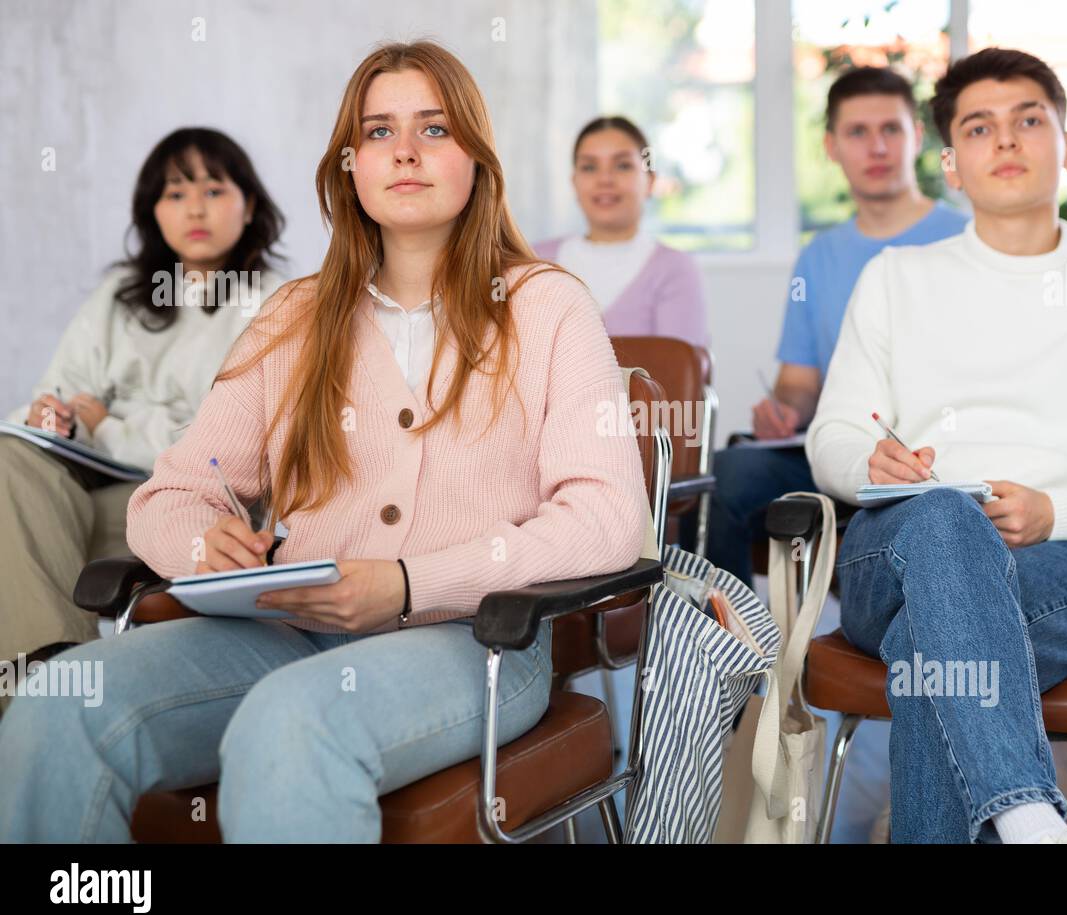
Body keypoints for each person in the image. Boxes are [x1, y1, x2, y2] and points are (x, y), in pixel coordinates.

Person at [0, 40, 646, 842]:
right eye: (378, 132)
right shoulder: (292, 317)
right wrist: (204, 543)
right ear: (349, 165)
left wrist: (409, 582)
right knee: (62, 706)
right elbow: (173, 493)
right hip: (279, 631)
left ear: (477, 159)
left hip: (474, 647)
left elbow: (611, 517)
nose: (405, 150)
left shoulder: (549, 308)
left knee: (294, 722)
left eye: (435, 128)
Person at [808, 48, 1067, 843]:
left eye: (1028, 120)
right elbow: (833, 434)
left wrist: (1058, 509)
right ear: (951, 165)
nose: (1005, 141)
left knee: (927, 652)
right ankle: (1028, 813)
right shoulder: (896, 278)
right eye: (979, 127)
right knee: (940, 518)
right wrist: (865, 464)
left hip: (1064, 562)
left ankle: (1021, 820)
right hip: (894, 548)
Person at [0, 127, 285, 682]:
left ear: (249, 204)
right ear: (152, 210)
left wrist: (108, 426)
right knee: (10, 462)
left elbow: (223, 447)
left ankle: (43, 689)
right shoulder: (120, 295)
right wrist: (53, 418)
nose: (194, 208)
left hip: (184, 502)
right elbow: (58, 391)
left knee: (16, 529)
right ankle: (46, 675)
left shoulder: (276, 302)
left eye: (213, 190)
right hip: (89, 486)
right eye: (175, 194)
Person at [702, 66, 966, 584]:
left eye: (891, 129)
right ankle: (732, 649)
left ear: (916, 136)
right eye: (857, 132)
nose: (877, 147)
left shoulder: (964, 237)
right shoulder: (818, 256)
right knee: (725, 476)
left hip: (939, 451)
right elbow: (799, 386)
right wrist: (782, 411)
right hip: (835, 452)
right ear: (832, 146)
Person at [534, 116, 709, 345]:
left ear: (650, 181)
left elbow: (680, 372)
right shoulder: (533, 262)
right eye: (589, 167)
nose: (605, 179)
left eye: (623, 165)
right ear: (574, 182)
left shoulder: (674, 269)